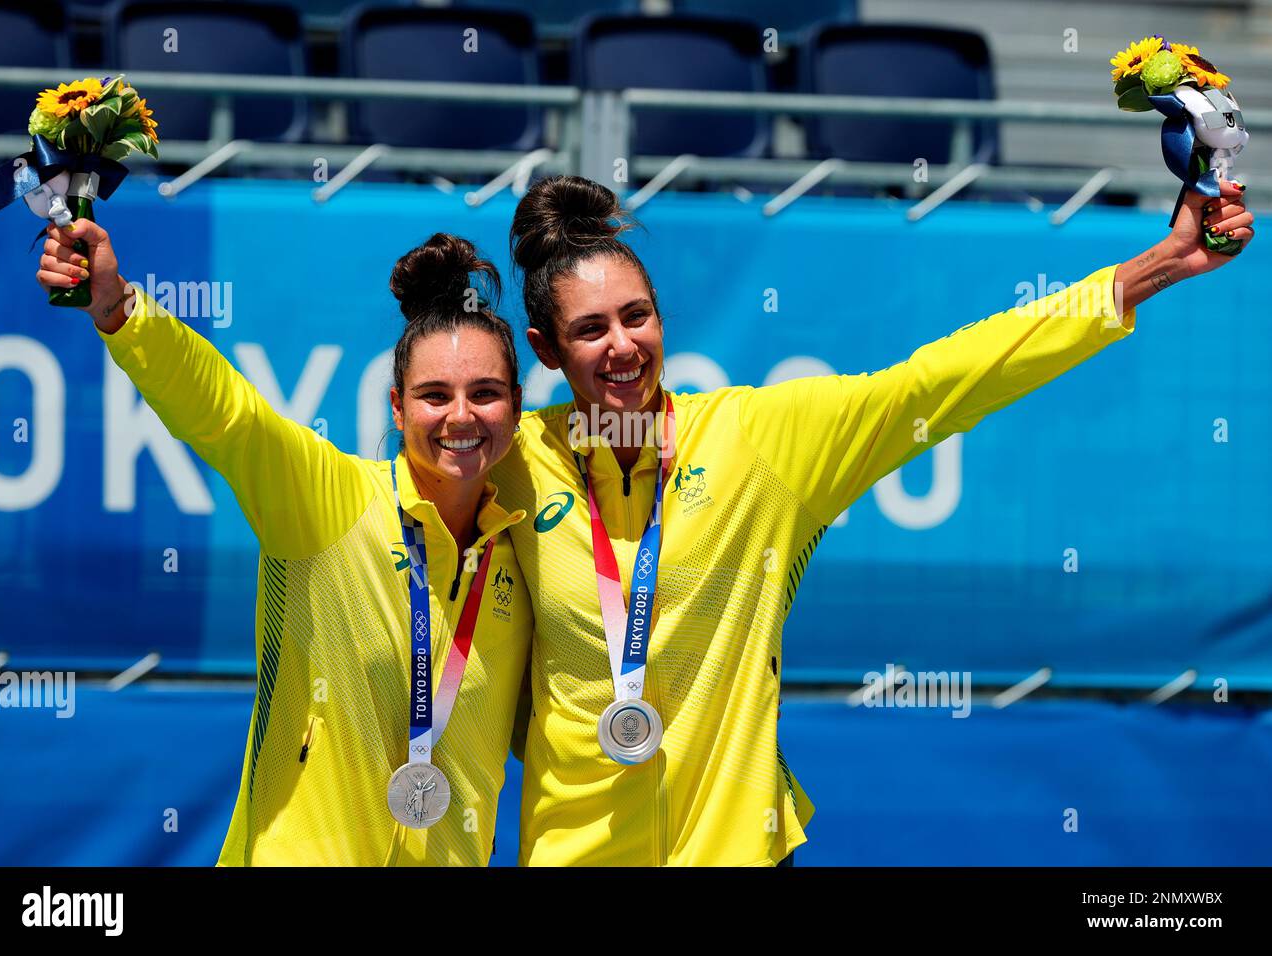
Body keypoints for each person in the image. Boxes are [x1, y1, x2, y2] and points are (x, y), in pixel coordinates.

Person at [491, 174, 1254, 866]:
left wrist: (1159, 267)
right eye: (592, 330)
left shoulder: (758, 441)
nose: (624, 345)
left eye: (639, 317)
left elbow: (942, 381)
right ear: (546, 352)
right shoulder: (512, 464)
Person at [36, 226, 532, 866]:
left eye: (485, 394)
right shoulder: (329, 502)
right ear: (398, 409)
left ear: (517, 408)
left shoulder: (524, 558)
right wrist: (119, 308)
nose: (460, 416)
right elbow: (229, 416)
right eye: (434, 395)